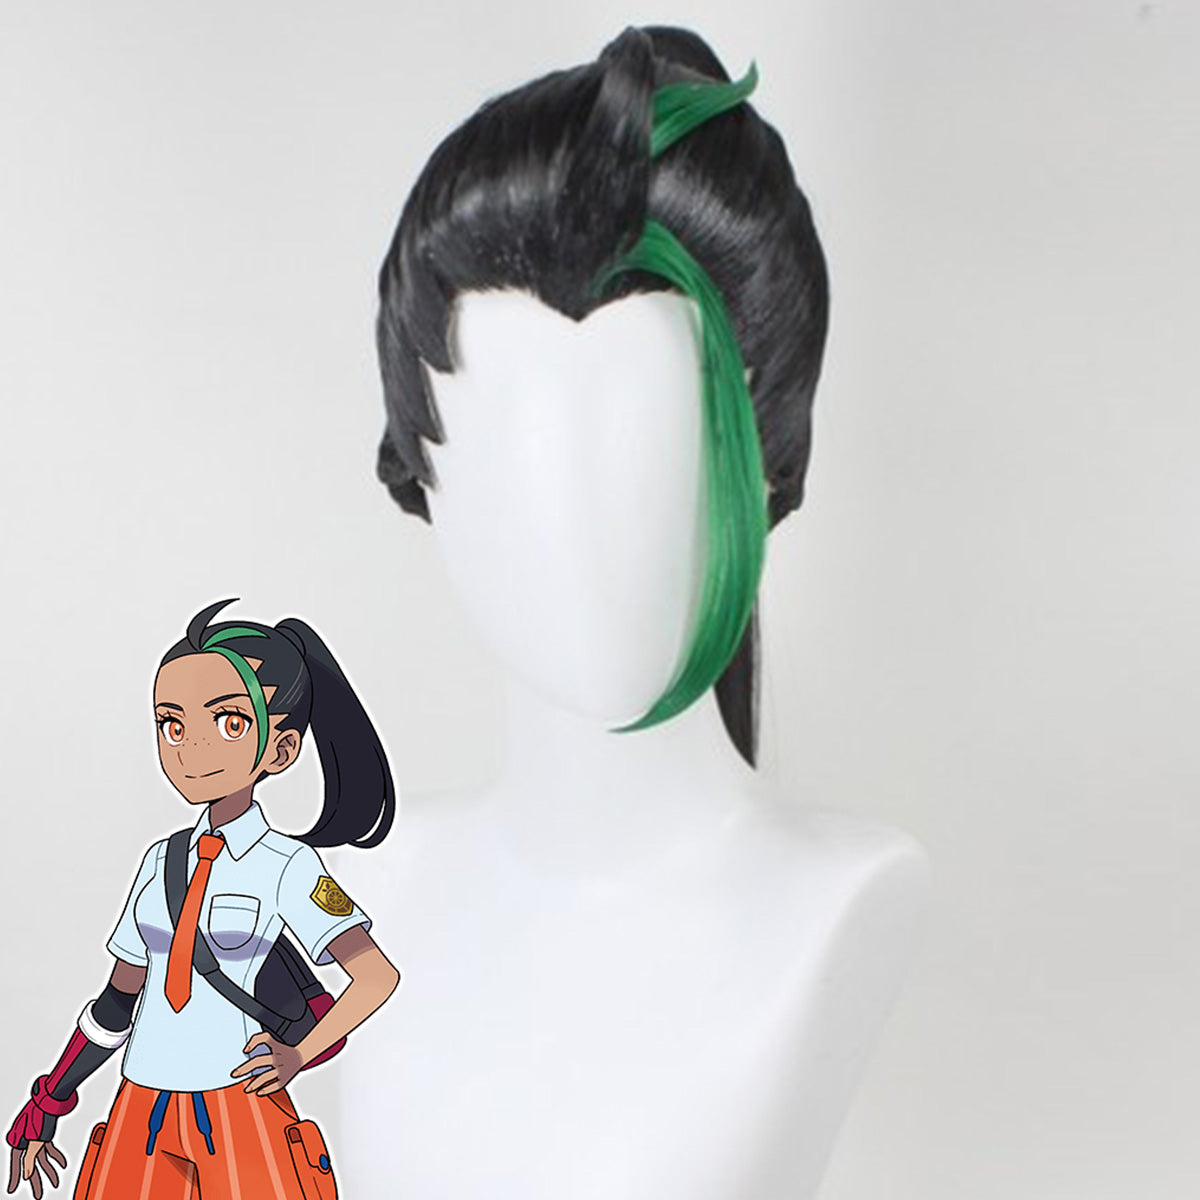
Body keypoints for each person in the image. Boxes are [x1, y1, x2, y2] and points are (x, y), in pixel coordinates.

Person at [6, 599, 399, 1199]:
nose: (190, 748)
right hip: (141, 1107)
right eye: (172, 724)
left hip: (239, 1105)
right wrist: (50, 1099)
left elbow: (374, 976)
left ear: (280, 750)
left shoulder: (286, 865)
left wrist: (297, 1055)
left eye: (229, 723)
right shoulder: (159, 862)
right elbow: (117, 1001)